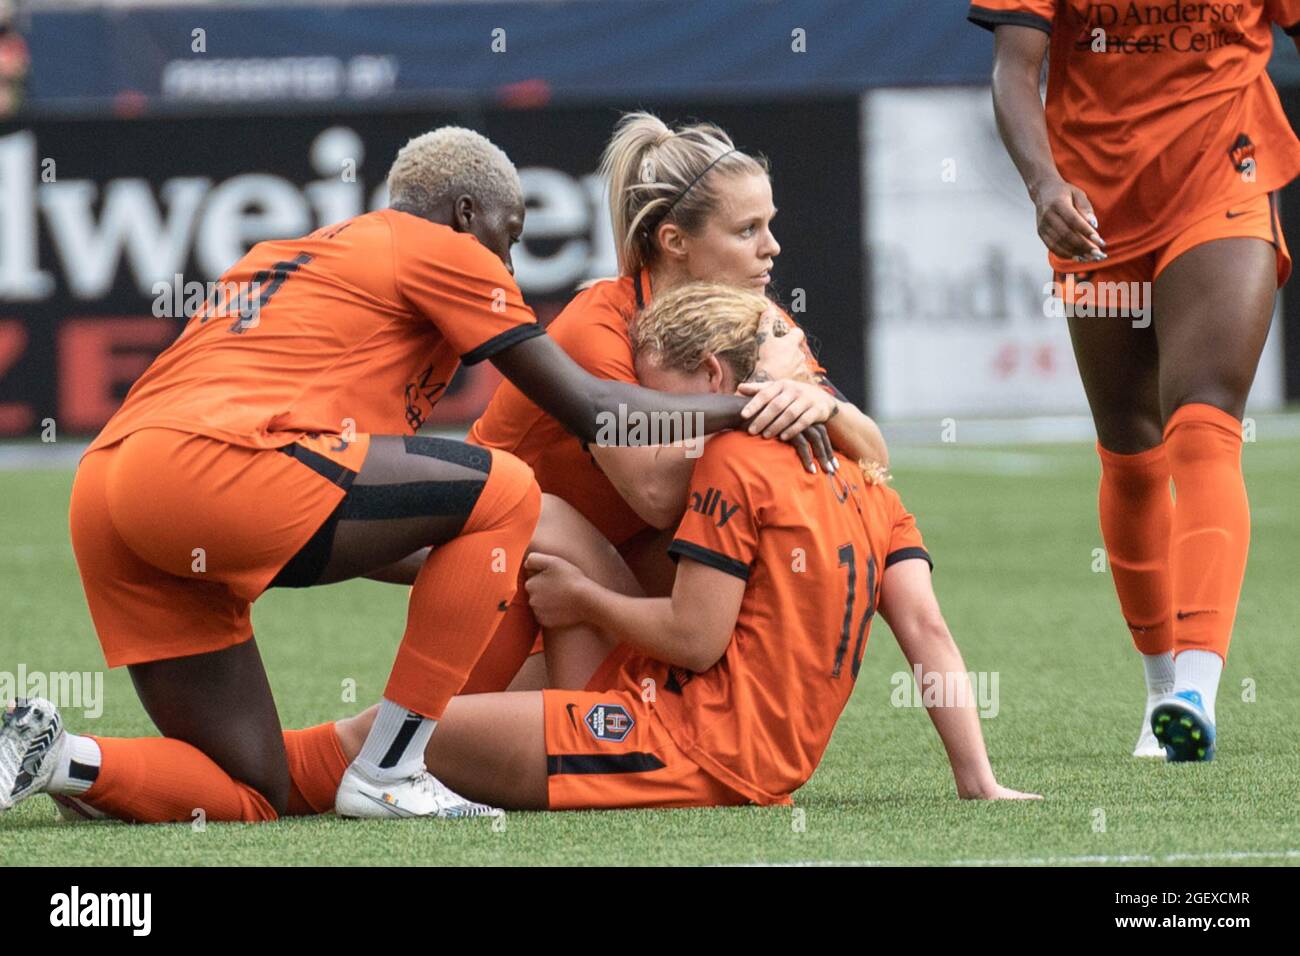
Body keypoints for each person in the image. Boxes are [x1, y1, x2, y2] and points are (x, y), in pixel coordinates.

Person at [0, 128, 836, 825]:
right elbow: (590, 408)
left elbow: (363, 529)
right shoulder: (436, 245)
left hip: (112, 490)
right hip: (216, 466)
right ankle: (392, 770)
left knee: (260, 790)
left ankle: (59, 757)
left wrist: (491, 563)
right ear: (466, 214)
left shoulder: (293, 257)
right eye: (508, 238)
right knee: (505, 488)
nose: (508, 267)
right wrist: (755, 406)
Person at [315, 283, 1040, 812]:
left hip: (694, 749)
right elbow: (926, 628)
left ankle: (245, 774)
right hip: (699, 721)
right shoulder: (870, 478)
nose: (664, 422)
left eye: (666, 398)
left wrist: (581, 598)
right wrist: (976, 778)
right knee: (544, 533)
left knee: (378, 743)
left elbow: (695, 638)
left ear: (716, 380)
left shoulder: (735, 460)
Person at [457, 110, 890, 693]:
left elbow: (874, 459)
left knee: (768, 501)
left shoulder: (759, 319)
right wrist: (759, 404)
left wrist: (828, 410)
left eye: (770, 224)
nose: (773, 247)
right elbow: (656, 494)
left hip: (614, 550)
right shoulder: (598, 325)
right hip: (500, 553)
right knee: (462, 747)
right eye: (748, 230)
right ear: (675, 242)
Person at [970, 0, 1300, 760]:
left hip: (1224, 176)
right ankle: (1158, 690)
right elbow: (1014, 68)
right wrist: (1042, 185)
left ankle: (1195, 686)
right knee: (1129, 447)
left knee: (1206, 418)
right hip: (1096, 204)